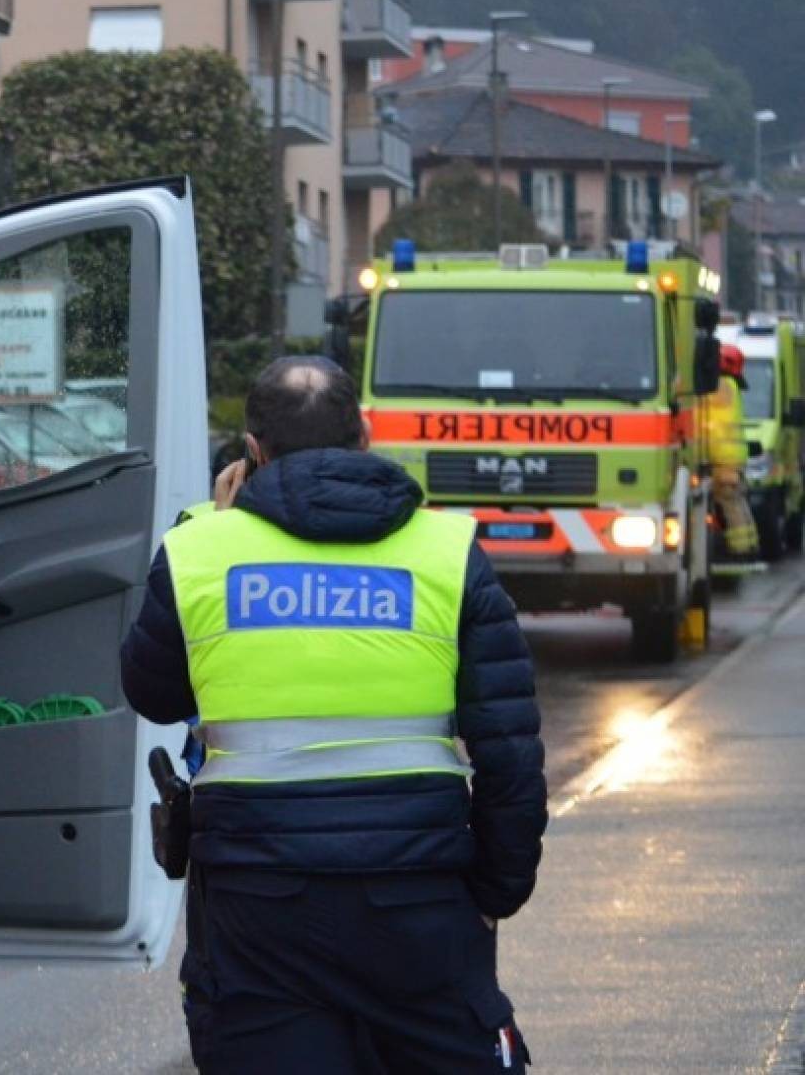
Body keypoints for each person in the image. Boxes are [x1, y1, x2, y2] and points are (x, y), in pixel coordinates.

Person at [121, 356, 547, 1072]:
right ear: (366, 436)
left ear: (253, 451)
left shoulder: (197, 551)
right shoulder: (448, 553)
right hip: (418, 904)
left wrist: (218, 526)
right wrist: (496, 890)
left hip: (258, 915)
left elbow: (153, 692)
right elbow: (509, 752)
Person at [706, 342, 759, 558]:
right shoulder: (732, 386)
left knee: (729, 502)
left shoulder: (720, 386)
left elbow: (696, 400)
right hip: (733, 457)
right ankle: (749, 545)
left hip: (722, 457)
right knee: (737, 502)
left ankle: (740, 550)